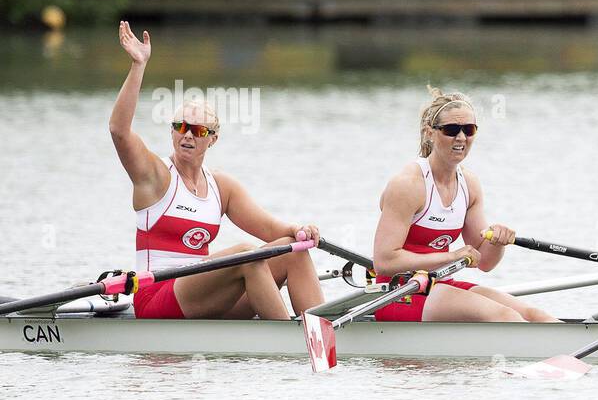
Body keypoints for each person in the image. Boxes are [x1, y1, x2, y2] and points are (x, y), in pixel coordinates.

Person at [110, 21, 323, 320]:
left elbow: (271, 230)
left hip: (203, 296)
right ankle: (290, 343)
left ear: (213, 138)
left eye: (197, 130)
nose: (187, 135)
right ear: (172, 132)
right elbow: (119, 131)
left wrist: (300, 230)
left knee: (294, 249)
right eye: (180, 127)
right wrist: (138, 65)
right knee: (249, 255)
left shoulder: (222, 187)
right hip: (157, 297)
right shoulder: (156, 176)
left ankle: (322, 332)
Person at [371, 88, 558, 323]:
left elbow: (485, 261)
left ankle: (578, 356)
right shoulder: (408, 185)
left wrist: (498, 241)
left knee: (534, 316)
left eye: (468, 130)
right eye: (451, 130)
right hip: (401, 293)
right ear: (430, 133)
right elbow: (384, 262)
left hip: (441, 284)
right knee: (505, 317)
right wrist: (452, 256)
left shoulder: (469, 184)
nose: (461, 138)